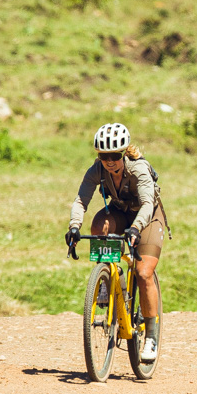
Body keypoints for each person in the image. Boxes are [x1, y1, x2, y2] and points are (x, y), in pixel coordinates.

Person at [65, 123, 168, 362]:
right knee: (98, 226)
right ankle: (107, 278)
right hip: (120, 212)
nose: (110, 162)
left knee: (143, 273)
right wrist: (74, 227)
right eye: (104, 156)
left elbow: (147, 204)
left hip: (148, 217)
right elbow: (81, 200)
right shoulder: (97, 170)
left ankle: (151, 337)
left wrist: (136, 228)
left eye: (115, 156)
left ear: (124, 153)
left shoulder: (138, 168)